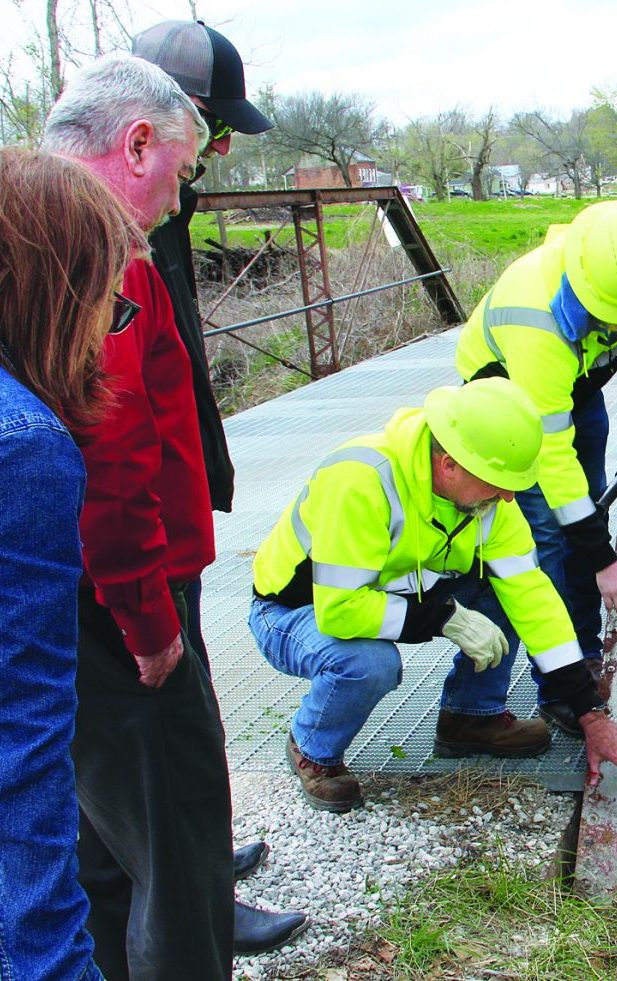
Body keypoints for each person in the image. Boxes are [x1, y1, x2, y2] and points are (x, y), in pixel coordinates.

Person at [43, 55, 302, 977]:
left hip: (63, 587)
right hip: (121, 592)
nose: (177, 200)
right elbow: (112, 459)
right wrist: (150, 620)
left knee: (101, 833)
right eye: (184, 171)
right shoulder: (101, 250)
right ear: (137, 142)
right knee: (183, 841)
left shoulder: (30, 230)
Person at [250, 377, 617, 812]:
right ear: (448, 465)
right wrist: (445, 617)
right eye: (499, 482)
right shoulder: (359, 480)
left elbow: (534, 599)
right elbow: (339, 611)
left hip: (402, 587)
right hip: (295, 611)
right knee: (369, 663)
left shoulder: (485, 501)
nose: (507, 496)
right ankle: (314, 747)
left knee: (505, 591)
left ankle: (470, 717)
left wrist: (589, 713)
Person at [130, 20, 304, 953]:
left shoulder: (165, 207)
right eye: (213, 129)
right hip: (146, 525)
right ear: (151, 126)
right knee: (171, 728)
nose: (222, 151)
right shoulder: (118, 220)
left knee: (177, 718)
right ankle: (197, 904)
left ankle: (194, 862)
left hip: (175, 502)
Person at [454, 200, 617, 736]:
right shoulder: (536, 318)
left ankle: (582, 653)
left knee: (589, 511)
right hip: (511, 393)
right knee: (551, 541)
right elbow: (552, 459)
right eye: (613, 316)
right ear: (585, 290)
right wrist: (603, 560)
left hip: (576, 383)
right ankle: (561, 687)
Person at [0, 146, 145, 981]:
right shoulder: (24, 451)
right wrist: (53, 960)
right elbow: (19, 744)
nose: (107, 324)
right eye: (108, 300)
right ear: (57, 291)